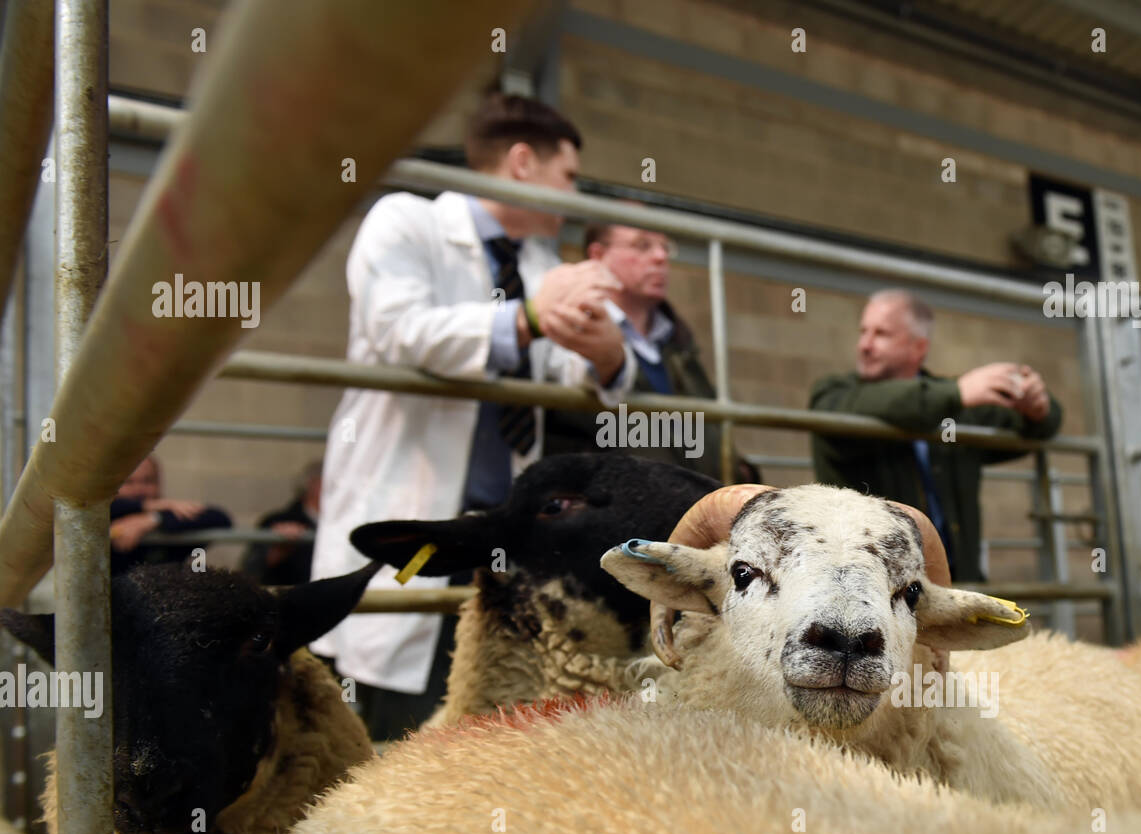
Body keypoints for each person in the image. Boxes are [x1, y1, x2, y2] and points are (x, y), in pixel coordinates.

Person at [310, 93, 638, 740]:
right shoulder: (405, 223)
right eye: (568, 176)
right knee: (393, 718)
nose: (574, 196)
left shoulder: (541, 264)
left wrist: (606, 358)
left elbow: (568, 373)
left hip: (495, 530)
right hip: (414, 515)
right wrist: (531, 318)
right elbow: (402, 331)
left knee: (479, 709)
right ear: (522, 163)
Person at [809, 290, 1062, 582]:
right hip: (868, 588)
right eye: (863, 331)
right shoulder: (835, 395)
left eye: (881, 334)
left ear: (918, 348)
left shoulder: (956, 405)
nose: (865, 344)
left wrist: (1038, 407)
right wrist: (958, 392)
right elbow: (885, 406)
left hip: (954, 581)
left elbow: (1039, 425)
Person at [543, 220, 759, 482]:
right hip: (628, 507)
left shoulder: (678, 343)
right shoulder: (571, 329)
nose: (660, 256)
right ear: (598, 256)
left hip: (697, 506)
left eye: (665, 247)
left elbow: (709, 431)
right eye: (642, 245)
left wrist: (738, 473)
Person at [110, 455, 232, 576]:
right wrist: (145, 505)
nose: (138, 489)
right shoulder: (104, 517)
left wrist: (153, 519)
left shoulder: (169, 518)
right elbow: (102, 507)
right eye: (128, 482)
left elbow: (219, 518)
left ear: (159, 483)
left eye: (148, 481)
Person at [241, 461, 322, 587]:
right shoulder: (278, 521)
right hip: (293, 598)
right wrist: (278, 549)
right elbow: (251, 570)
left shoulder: (344, 524)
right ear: (313, 485)